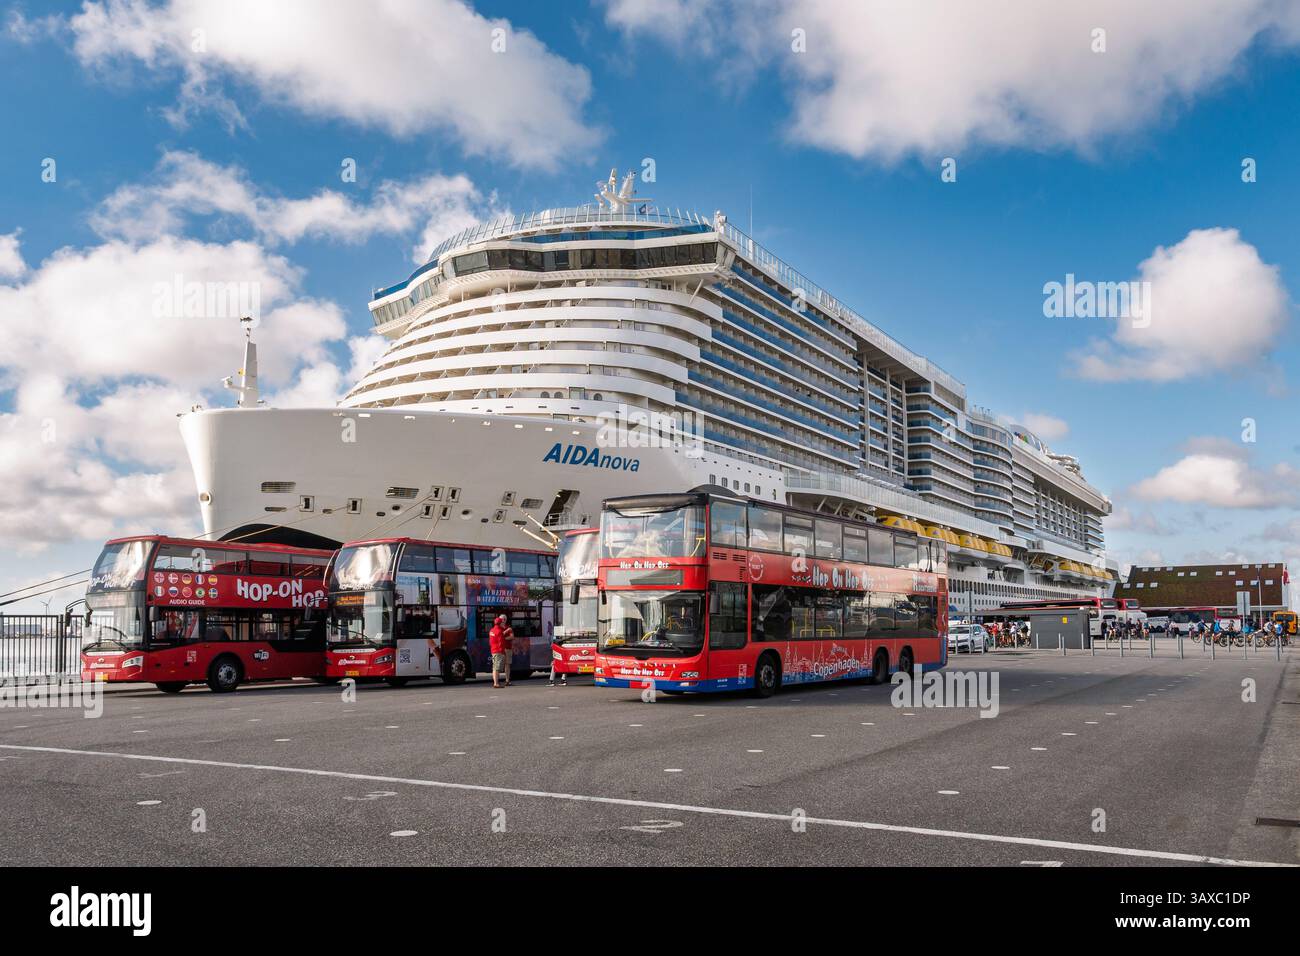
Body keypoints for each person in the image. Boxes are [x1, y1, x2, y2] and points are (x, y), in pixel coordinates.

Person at [489, 614, 515, 688]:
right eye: (502, 619)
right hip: (500, 650)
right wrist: (505, 633)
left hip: (506, 649)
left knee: (506, 665)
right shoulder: (501, 629)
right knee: (497, 667)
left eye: (504, 619)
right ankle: (496, 683)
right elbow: (500, 637)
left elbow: (512, 637)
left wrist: (504, 635)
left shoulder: (494, 629)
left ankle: (507, 681)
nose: (503, 621)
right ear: (499, 621)